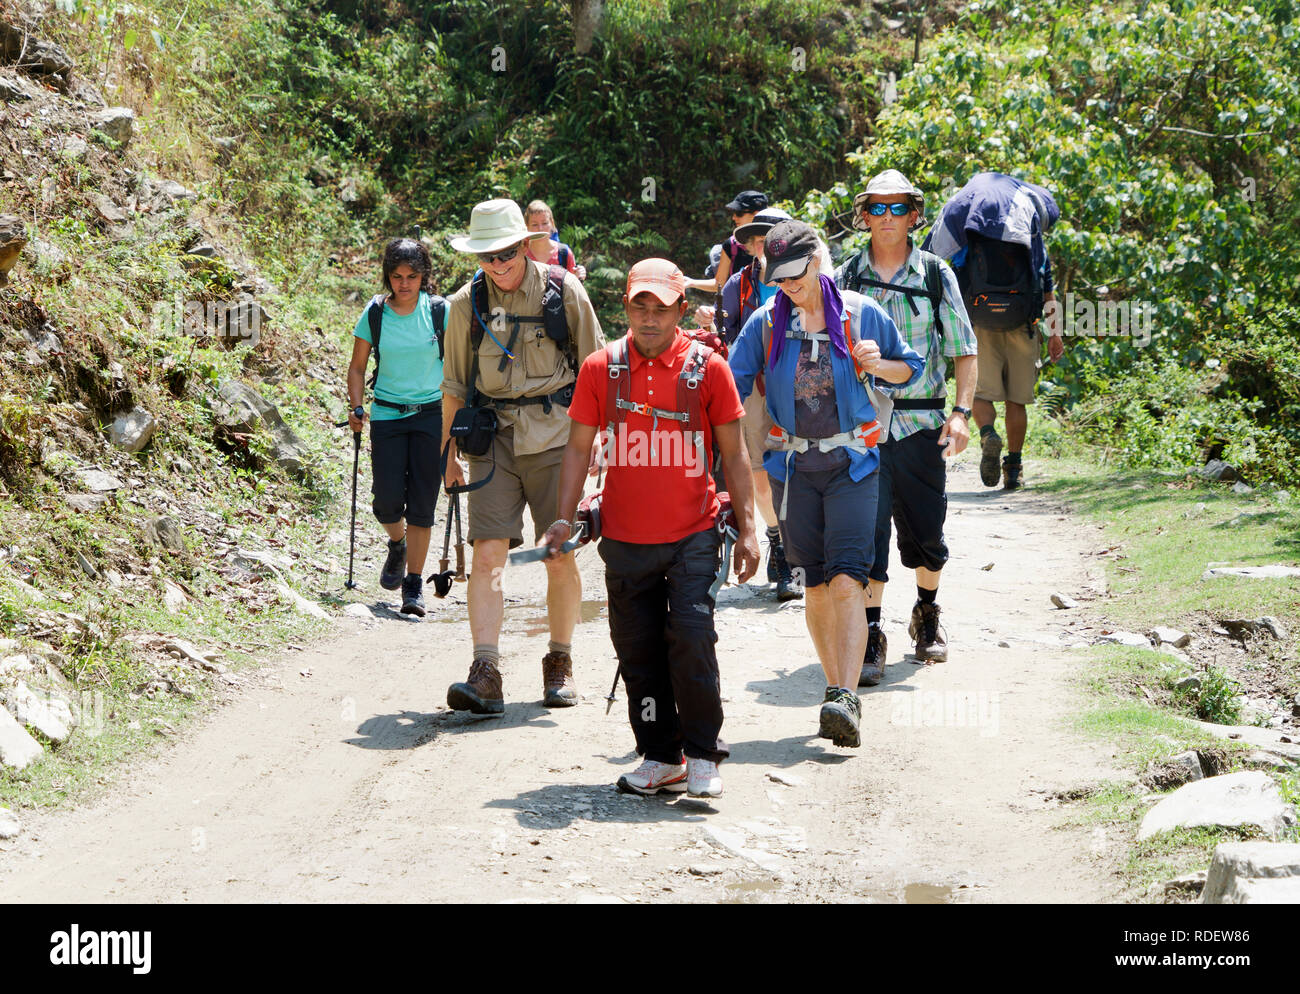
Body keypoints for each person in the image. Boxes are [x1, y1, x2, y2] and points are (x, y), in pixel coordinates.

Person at [545, 259, 760, 797]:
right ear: (625, 307)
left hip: (693, 534)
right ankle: (662, 755)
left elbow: (734, 454)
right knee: (637, 650)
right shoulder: (601, 368)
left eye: (661, 308)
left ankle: (704, 753)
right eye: (639, 305)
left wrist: (751, 529)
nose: (649, 317)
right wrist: (562, 518)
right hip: (623, 538)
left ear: (680, 310)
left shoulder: (708, 368)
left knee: (690, 639)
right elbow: (576, 448)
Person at [729, 220, 924, 748]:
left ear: (818, 263)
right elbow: (732, 383)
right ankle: (833, 685)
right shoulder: (766, 323)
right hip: (793, 471)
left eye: (796, 277)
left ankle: (843, 695)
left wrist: (876, 362)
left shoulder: (861, 314)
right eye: (779, 280)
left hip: (853, 465)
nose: (787, 288)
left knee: (846, 580)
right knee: (813, 586)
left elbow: (912, 369)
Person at [440, 199, 603, 714]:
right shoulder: (464, 305)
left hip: (559, 438)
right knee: (487, 556)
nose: (499, 263)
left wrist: (600, 439)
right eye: (488, 255)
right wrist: (447, 456)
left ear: (526, 245)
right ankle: (485, 670)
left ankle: (560, 662)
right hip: (494, 442)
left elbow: (597, 369)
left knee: (558, 554)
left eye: (507, 251)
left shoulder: (563, 291)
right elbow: (451, 387)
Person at [835, 170, 978, 678]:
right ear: (864, 215)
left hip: (921, 423)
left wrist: (960, 415)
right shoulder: (846, 276)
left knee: (925, 532)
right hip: (863, 428)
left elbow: (964, 350)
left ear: (916, 214)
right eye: (877, 207)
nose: (887, 217)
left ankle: (927, 613)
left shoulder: (937, 274)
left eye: (898, 208)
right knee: (865, 533)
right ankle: (871, 631)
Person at [922, 172, 1063, 491]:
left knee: (981, 394)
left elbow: (947, 272)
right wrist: (1055, 334)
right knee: (1017, 401)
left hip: (979, 324)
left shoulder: (967, 231)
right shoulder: (1031, 233)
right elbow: (1047, 288)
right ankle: (1013, 466)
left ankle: (989, 434)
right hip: (1024, 323)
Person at [345, 237, 447, 617]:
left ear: (424, 277)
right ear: (388, 276)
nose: (404, 283)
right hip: (387, 415)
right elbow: (357, 367)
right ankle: (397, 542)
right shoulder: (374, 313)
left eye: (412, 276)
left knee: (423, 504)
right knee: (387, 502)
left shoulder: (439, 311)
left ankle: (413, 586)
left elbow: (457, 367)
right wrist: (356, 406)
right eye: (397, 276)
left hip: (431, 416)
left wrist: (459, 417)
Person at [713, 206, 800, 600]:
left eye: (772, 235)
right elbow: (727, 340)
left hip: (803, 384)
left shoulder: (809, 277)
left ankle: (804, 547)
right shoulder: (738, 286)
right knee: (761, 474)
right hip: (755, 390)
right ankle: (778, 541)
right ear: (748, 246)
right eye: (757, 238)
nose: (764, 244)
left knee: (806, 467)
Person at [686, 189, 769, 293]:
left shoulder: (777, 241)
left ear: (757, 213)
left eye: (739, 213)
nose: (733, 217)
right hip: (741, 307)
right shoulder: (731, 245)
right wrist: (691, 282)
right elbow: (719, 284)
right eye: (734, 213)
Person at [524, 200, 587, 281]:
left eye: (545, 223)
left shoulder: (563, 253)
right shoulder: (520, 254)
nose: (540, 229)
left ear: (552, 224)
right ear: (527, 227)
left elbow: (572, 287)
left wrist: (578, 277)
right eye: (534, 225)